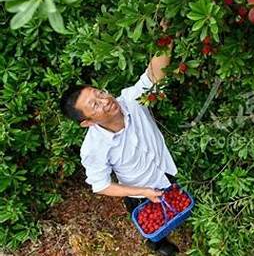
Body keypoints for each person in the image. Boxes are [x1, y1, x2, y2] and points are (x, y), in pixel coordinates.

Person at [60, 44, 179, 256]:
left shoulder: (132, 100)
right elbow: (101, 185)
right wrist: (142, 192)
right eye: (95, 105)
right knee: (153, 225)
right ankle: (158, 244)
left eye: (100, 93)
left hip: (166, 171)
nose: (105, 101)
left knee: (173, 205)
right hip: (138, 191)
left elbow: (154, 76)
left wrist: (165, 40)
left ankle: (173, 220)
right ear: (87, 122)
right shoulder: (93, 148)